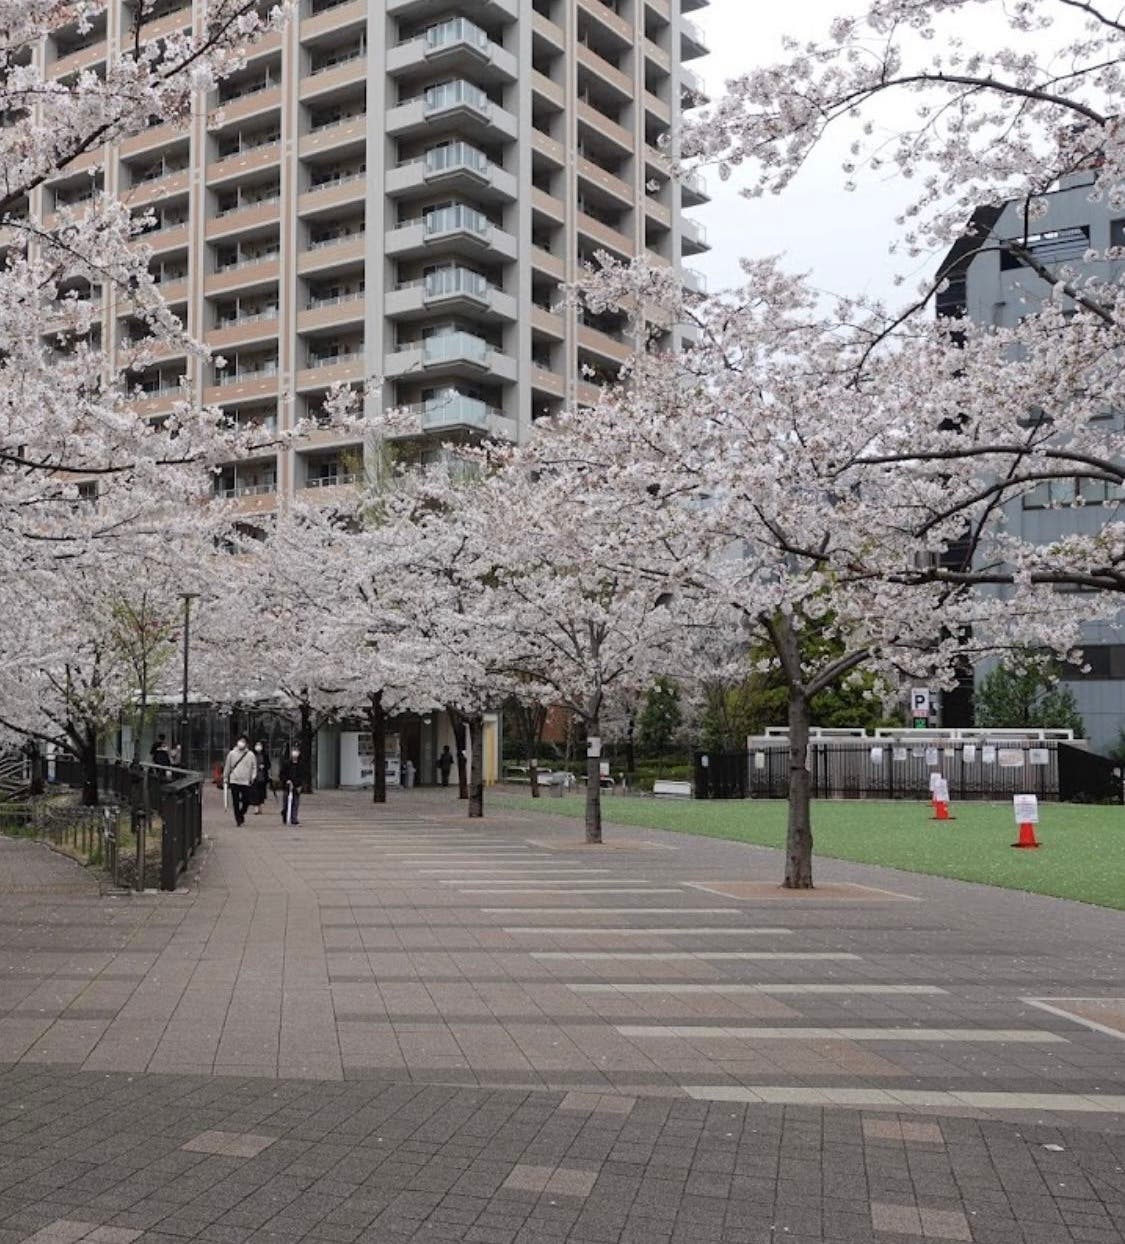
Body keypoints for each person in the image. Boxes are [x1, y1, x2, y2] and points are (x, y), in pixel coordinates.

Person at [222, 735, 257, 826]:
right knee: (236, 801)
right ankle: (238, 818)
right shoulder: (232, 753)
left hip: (246, 781)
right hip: (234, 780)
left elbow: (254, 767)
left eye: (243, 741)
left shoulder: (250, 755)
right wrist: (225, 777)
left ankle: (241, 813)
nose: (241, 743)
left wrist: (253, 776)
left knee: (246, 800)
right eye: (240, 741)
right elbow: (227, 766)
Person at [278, 745, 304, 825]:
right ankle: (285, 815)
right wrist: (286, 781)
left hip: (297, 786)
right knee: (286, 803)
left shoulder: (301, 764)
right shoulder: (286, 763)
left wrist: (300, 785)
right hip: (287, 786)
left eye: (297, 751)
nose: (295, 753)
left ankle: (294, 818)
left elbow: (302, 775)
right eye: (294, 751)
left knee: (295, 803)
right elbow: (282, 774)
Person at [251, 741, 271, 814]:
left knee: (261, 793)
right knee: (255, 792)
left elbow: (269, 765)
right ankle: (256, 808)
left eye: (260, 745)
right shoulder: (251, 755)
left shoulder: (265, 755)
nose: (258, 746)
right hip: (254, 776)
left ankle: (260, 807)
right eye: (257, 745)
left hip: (262, 777)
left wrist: (264, 766)